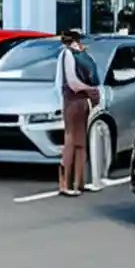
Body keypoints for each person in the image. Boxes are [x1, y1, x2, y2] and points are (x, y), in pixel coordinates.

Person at [53, 29, 100, 197]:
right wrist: (90, 90)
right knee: (75, 140)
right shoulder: (75, 54)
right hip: (79, 100)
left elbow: (69, 82)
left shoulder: (69, 54)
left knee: (74, 139)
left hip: (74, 100)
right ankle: (72, 183)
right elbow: (75, 81)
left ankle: (72, 183)